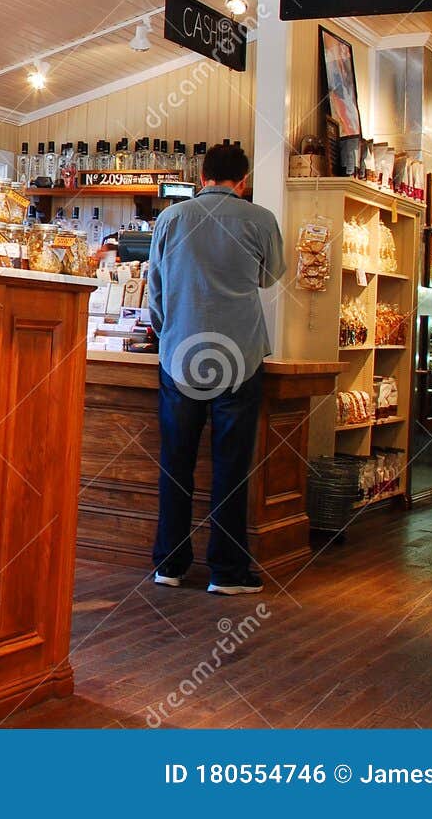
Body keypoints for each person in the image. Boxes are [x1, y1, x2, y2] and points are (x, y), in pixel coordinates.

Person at [146, 142, 286, 596]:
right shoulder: (260, 219)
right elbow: (270, 277)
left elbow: (157, 292)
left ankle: (170, 564)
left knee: (176, 464)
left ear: (201, 175)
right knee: (230, 466)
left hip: (180, 355)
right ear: (242, 181)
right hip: (239, 356)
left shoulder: (171, 218)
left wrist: (169, 335)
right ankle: (227, 571)